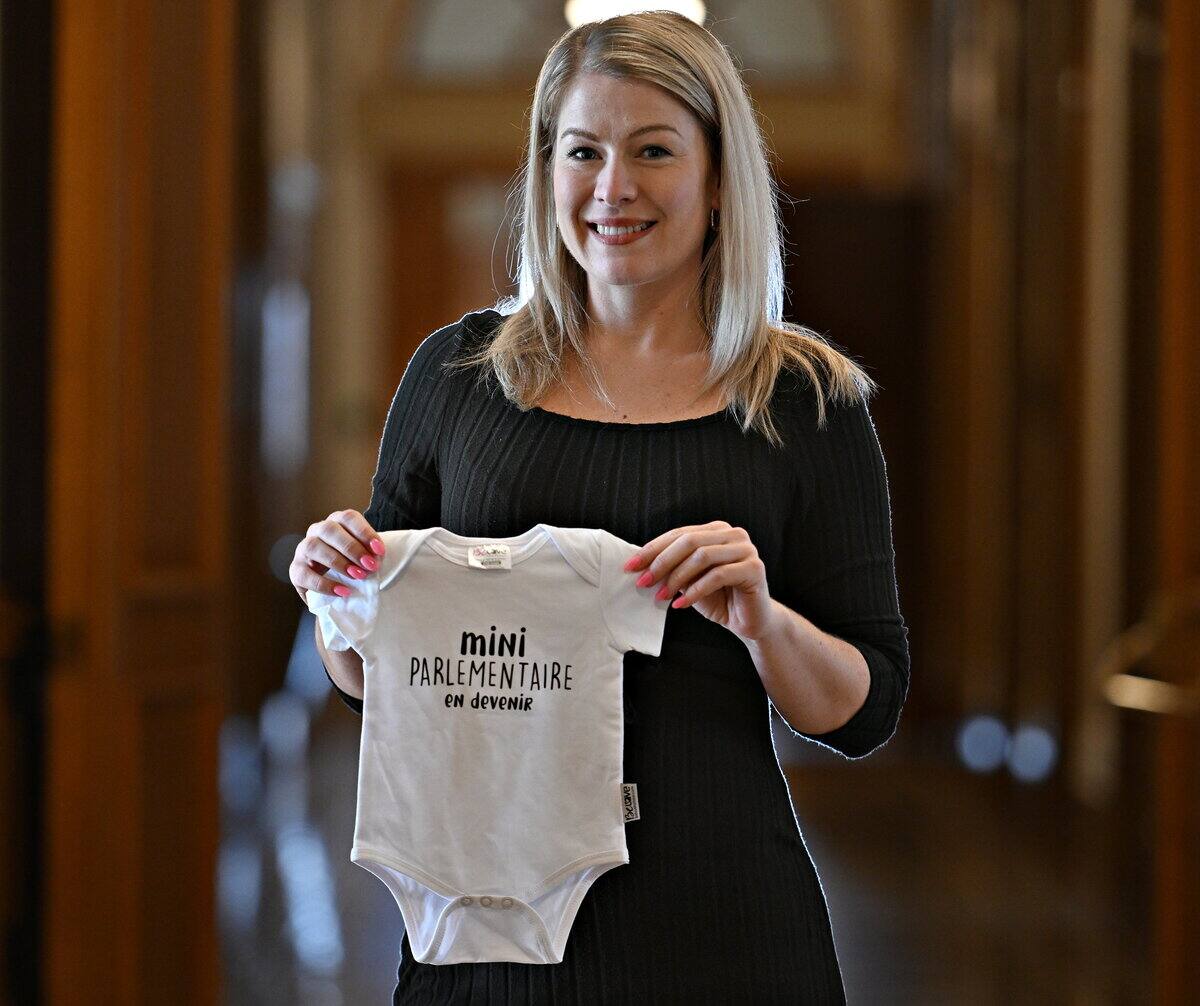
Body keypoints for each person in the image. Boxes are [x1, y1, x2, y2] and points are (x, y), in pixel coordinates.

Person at [290, 10, 910, 1004]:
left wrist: (762, 619)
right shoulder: (453, 376)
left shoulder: (808, 402)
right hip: (486, 919)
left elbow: (863, 708)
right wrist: (337, 595)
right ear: (547, 173)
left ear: (717, 179)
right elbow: (373, 676)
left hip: (718, 921)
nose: (613, 186)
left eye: (653, 150)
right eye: (583, 151)